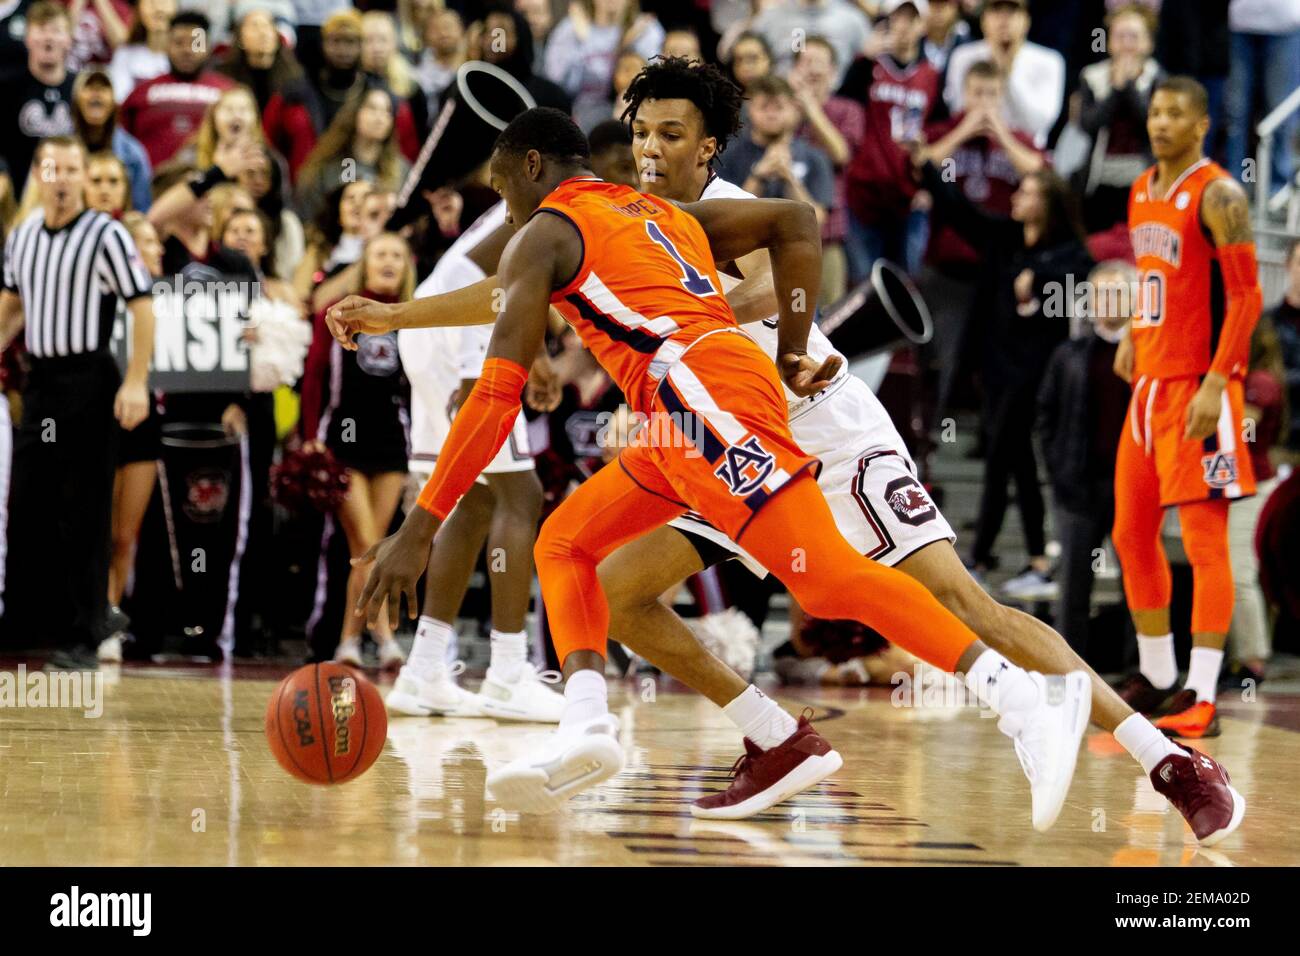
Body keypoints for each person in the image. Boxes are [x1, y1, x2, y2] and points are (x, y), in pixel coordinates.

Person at [331, 106, 1097, 833]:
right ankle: (611, 726)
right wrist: (395, 316)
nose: (502, 209)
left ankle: (1020, 697)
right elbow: (797, 224)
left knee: (823, 578)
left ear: (532, 166)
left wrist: (419, 528)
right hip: (684, 406)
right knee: (565, 544)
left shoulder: (547, 230)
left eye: (501, 189)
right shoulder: (648, 212)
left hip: (698, 396)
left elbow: (497, 394)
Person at [594, 56, 1238, 841]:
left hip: (825, 436)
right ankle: (773, 737)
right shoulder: (625, 221)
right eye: (639, 133)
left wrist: (696, 321)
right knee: (619, 589)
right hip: (730, 452)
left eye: (671, 132)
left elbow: (773, 276)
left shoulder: (728, 209)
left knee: (969, 606)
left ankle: (1170, 759)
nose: (651, 148)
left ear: (709, 148)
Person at [1111, 76, 1263, 742]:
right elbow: (1157, 277)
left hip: (1202, 387)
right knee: (1130, 533)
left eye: (1176, 113)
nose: (1161, 122)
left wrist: (1216, 380)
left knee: (1203, 543)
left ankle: (1203, 691)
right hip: (1148, 385)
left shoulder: (1220, 193)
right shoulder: (1141, 187)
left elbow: (1249, 296)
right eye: (1155, 111)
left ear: (1202, 124)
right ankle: (1157, 676)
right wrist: (1128, 334)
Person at [390, 200, 552, 720]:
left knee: (478, 498)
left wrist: (540, 353)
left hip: (442, 319)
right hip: (463, 325)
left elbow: (529, 275)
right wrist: (468, 370)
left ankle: (424, 670)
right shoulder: (573, 189)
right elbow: (490, 275)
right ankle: (507, 672)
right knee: (520, 494)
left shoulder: (549, 191)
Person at [0, 136, 155, 666]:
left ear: (84, 178)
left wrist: (135, 381)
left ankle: (87, 632)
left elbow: (142, 305)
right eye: (53, 168)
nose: (62, 178)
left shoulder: (106, 233)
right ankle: (33, 620)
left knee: (85, 507)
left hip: (90, 379)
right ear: (39, 176)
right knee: (29, 499)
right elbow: (14, 306)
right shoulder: (22, 238)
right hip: (41, 380)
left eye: (72, 169)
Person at [918, 158, 1091, 599]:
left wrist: (1041, 278)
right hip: (995, 369)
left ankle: (978, 559)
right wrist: (927, 167)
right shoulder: (1003, 238)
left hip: (1037, 374)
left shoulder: (1070, 253)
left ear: (1048, 204)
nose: (1016, 198)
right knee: (1016, 464)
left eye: (1027, 192)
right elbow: (961, 213)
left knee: (1002, 461)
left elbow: (1078, 289)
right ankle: (1035, 559)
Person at [301, 232, 413, 671]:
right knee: (365, 544)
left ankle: (348, 641)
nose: (389, 261)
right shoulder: (342, 312)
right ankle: (384, 638)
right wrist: (311, 435)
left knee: (370, 550)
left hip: (390, 441)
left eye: (397, 256)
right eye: (380, 253)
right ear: (364, 264)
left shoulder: (412, 318)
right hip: (344, 441)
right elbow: (313, 374)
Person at [918, 58, 1043, 436]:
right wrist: (965, 129)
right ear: (963, 95)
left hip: (999, 270)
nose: (984, 102)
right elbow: (920, 164)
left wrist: (1000, 134)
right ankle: (934, 438)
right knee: (944, 353)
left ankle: (991, 437)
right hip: (947, 265)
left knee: (995, 358)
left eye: (991, 95)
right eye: (977, 94)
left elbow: (1040, 175)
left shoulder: (1018, 137)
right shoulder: (944, 131)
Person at [1037, 261, 1136, 656]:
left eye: (1113, 293)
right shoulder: (1070, 354)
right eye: (1097, 294)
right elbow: (1045, 416)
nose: (1104, 302)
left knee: (1140, 586)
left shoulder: (1148, 354)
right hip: (1078, 485)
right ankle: (1070, 670)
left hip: (1133, 489)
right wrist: (1058, 469)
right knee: (1074, 588)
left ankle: (1142, 671)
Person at [101, 210, 167, 662]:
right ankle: (88, 616)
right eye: (146, 242)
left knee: (126, 534)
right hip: (97, 416)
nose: (156, 250)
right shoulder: (100, 296)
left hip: (145, 423)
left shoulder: (180, 300)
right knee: (96, 532)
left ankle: (112, 616)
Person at [838, 0, 942, 280]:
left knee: (907, 286)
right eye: (899, 18)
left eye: (913, 20)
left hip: (909, 197)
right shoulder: (868, 65)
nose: (905, 27)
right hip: (863, 193)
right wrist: (862, 60)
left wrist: (932, 184)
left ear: (923, 25)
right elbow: (841, 104)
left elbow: (940, 133)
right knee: (865, 285)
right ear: (888, 22)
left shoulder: (933, 75)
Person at [1075, 4, 1163, 233]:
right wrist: (1116, 89)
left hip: (1143, 178)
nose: (1126, 43)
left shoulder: (1159, 80)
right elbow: (1088, 125)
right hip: (1099, 179)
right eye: (1120, 36)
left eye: (1134, 37)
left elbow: (1153, 126)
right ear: (1108, 41)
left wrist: (1130, 87)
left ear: (1148, 43)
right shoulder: (1091, 76)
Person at [789, 36, 863, 303]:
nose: (813, 69)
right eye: (806, 62)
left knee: (830, 319)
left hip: (829, 235)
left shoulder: (848, 109)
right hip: (781, 237)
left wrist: (811, 108)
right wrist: (794, 106)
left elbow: (841, 153)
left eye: (820, 62)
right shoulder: (782, 109)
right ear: (794, 69)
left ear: (833, 71)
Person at [118, 11, 235, 168]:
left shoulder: (228, 92)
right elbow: (120, 143)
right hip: (152, 185)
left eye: (196, 43)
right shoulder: (141, 93)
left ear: (208, 48)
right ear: (167, 46)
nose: (187, 50)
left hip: (213, 184)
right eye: (179, 43)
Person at [714, 75, 832, 228]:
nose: (771, 114)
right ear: (750, 110)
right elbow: (727, 220)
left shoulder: (814, 156)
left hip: (798, 245)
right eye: (764, 107)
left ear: (793, 108)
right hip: (746, 246)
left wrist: (789, 178)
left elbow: (816, 221)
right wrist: (758, 176)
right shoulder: (727, 156)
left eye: (779, 107)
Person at [942, 0, 1064, 149]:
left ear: (1026, 21)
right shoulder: (963, 57)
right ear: (983, 20)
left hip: (1026, 153)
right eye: (996, 11)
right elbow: (958, 113)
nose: (1003, 20)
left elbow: (1038, 124)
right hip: (972, 149)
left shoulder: (1049, 61)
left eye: (1011, 12)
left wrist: (1006, 72)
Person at [295, 84, 409, 224]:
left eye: (387, 111)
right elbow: (309, 218)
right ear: (355, 113)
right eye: (372, 108)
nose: (380, 118)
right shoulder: (326, 168)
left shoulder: (401, 169)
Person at [1224, 0, 1300, 196]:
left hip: (1285, 23)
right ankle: (1237, 183)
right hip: (1240, 22)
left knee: (1280, 113)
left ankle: (1278, 187)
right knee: (1237, 113)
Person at [1, 2, 76, 196]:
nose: (49, 37)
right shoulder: (7, 88)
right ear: (27, 38)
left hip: (69, 195)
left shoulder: (81, 88)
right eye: (41, 30)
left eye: (56, 30)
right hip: (14, 195)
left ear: (69, 39)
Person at [72, 67, 153, 212]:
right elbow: (39, 192)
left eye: (103, 88)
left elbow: (142, 209)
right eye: (89, 87)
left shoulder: (133, 153)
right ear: (76, 99)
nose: (96, 93)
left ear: (114, 101)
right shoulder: (55, 150)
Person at [750, 0, 870, 86]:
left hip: (836, 100)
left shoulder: (853, 19)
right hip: (782, 101)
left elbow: (867, 65)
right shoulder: (768, 19)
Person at [108, 0, 175, 102]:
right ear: (139, 9)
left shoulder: (189, 56)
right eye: (151, 2)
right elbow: (119, 101)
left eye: (164, 1)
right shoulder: (124, 55)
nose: (158, 9)